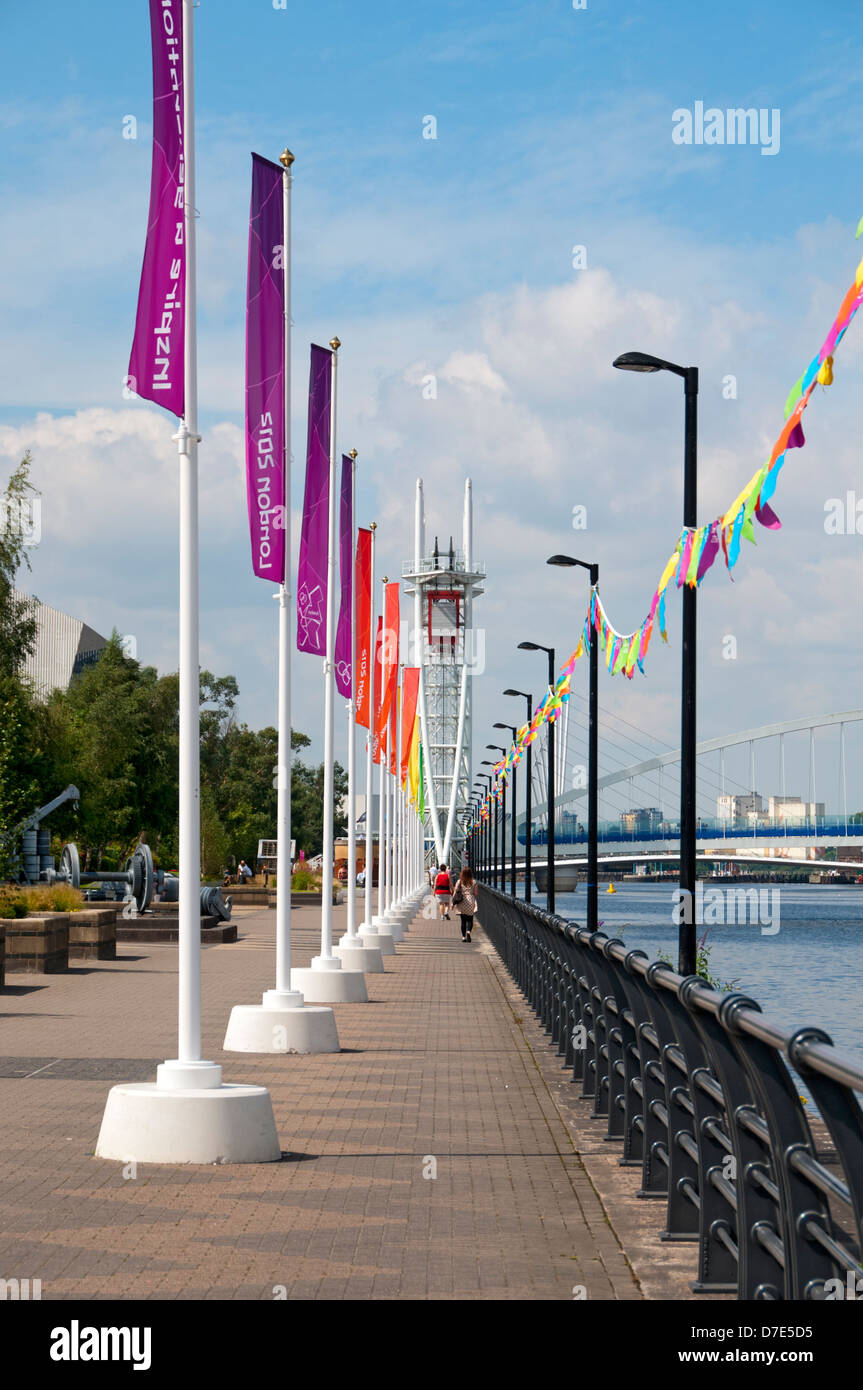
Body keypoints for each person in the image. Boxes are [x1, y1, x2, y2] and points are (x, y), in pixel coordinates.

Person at [451, 866, 478, 942]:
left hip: (462, 901)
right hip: (471, 901)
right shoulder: (474, 882)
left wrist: (452, 903)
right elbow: (475, 893)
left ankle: (463, 937)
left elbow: (455, 892)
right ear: (470, 873)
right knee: (470, 919)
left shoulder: (459, 881)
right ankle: (468, 932)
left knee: (463, 920)